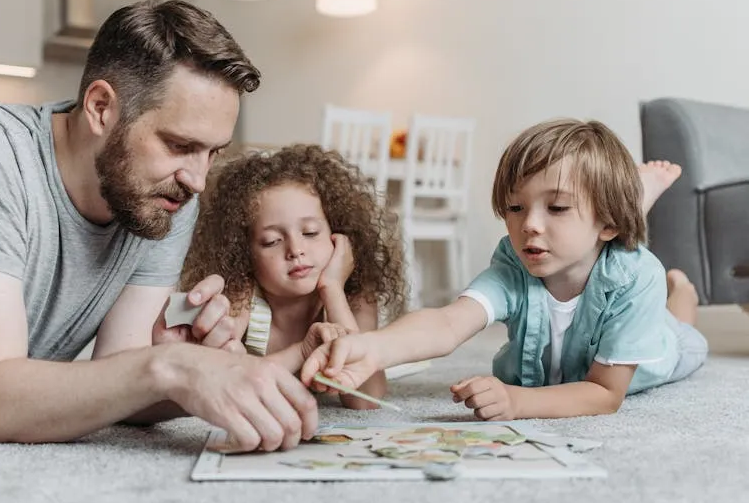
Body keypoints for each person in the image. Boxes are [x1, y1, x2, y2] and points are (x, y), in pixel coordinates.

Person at [0, 0, 317, 451]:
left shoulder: (166, 197)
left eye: (213, 152)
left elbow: (119, 380)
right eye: (180, 145)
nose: (199, 179)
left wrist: (187, 371)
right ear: (100, 108)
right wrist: (167, 370)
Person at [302, 119, 708, 420]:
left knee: (681, 336)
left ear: (606, 222)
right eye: (515, 207)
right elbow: (447, 324)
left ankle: (681, 296)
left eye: (557, 207)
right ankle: (632, 205)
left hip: (655, 346)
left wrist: (517, 401)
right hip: (606, 246)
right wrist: (371, 349)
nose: (528, 224)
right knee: (606, 259)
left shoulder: (638, 278)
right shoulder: (515, 264)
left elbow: (604, 394)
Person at [180, 145, 406, 408]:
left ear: (338, 233)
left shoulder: (355, 293)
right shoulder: (242, 294)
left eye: (310, 233)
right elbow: (224, 381)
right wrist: (300, 352)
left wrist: (332, 288)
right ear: (244, 253)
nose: (296, 250)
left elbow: (365, 399)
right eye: (271, 241)